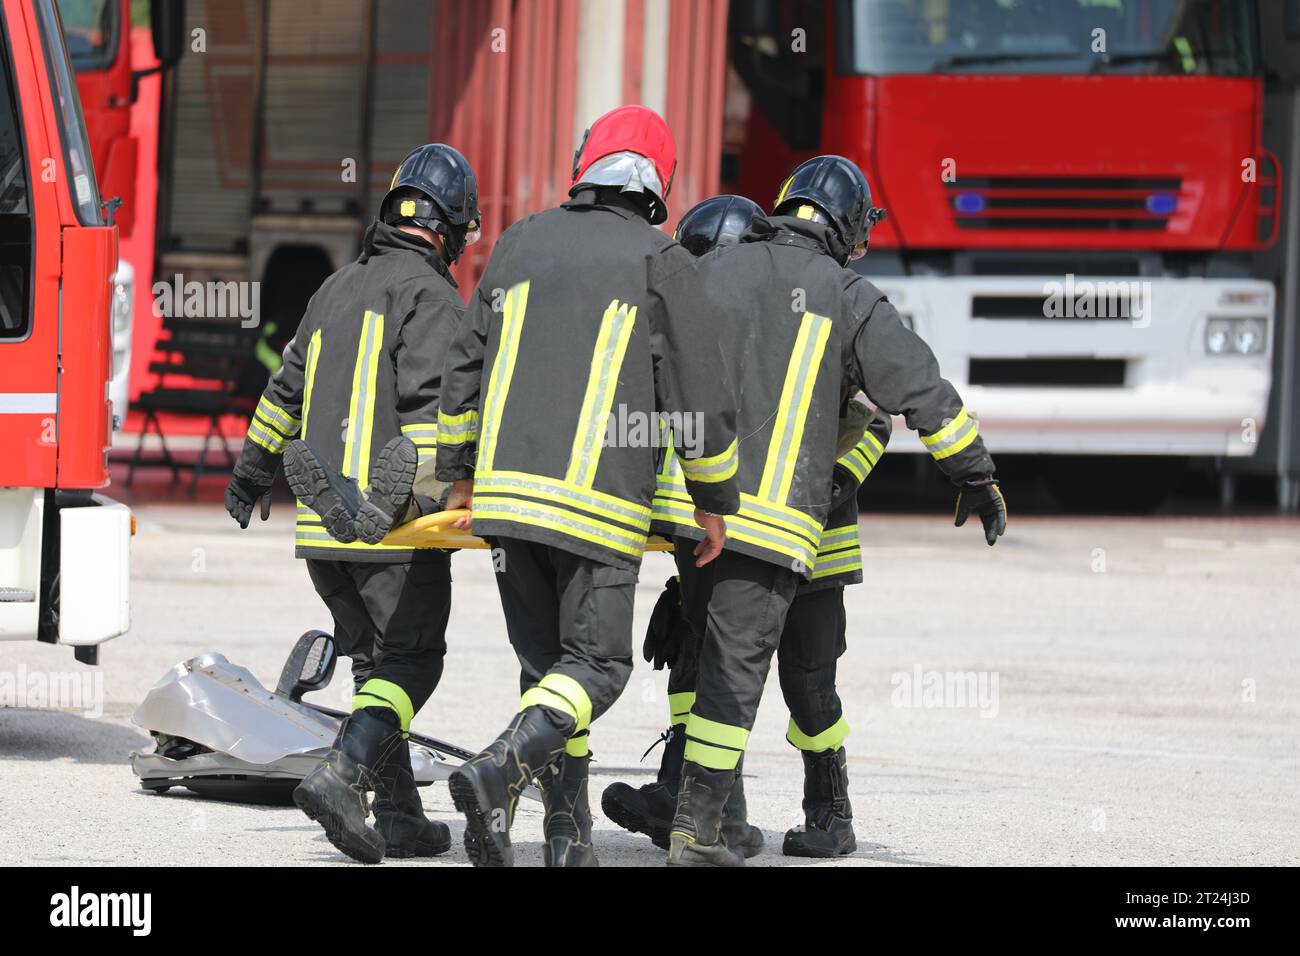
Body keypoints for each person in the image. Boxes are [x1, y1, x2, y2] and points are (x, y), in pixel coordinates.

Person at [645, 157, 1006, 866]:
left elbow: (648, 377)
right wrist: (974, 473)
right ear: (846, 229)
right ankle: (705, 816)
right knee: (739, 668)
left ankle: (826, 811)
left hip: (752, 526)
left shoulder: (712, 275)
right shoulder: (851, 297)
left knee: (792, 678)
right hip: (777, 526)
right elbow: (921, 388)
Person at [434, 105, 740, 868]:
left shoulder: (516, 242)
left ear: (586, 163)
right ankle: (503, 767)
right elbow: (696, 389)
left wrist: (458, 478)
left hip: (505, 510)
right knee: (596, 666)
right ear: (658, 183)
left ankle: (567, 840)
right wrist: (711, 501)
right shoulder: (661, 260)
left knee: (549, 673)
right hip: (596, 509)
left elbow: (464, 367)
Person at [601, 194, 894, 859]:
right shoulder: (714, 334)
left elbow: (872, 425)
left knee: (808, 686)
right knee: (700, 659)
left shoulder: (802, 319)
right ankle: (693, 803)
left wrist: (828, 483)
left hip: (810, 547)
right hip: (729, 538)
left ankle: (830, 812)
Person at [223, 143, 480, 864]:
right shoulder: (433, 298)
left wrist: (249, 475)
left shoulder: (334, 289)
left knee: (374, 664)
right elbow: (432, 414)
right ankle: (342, 775)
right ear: (451, 226)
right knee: (413, 661)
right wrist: (440, 497)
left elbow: (283, 393)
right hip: (393, 525)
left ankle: (398, 814)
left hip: (321, 529)